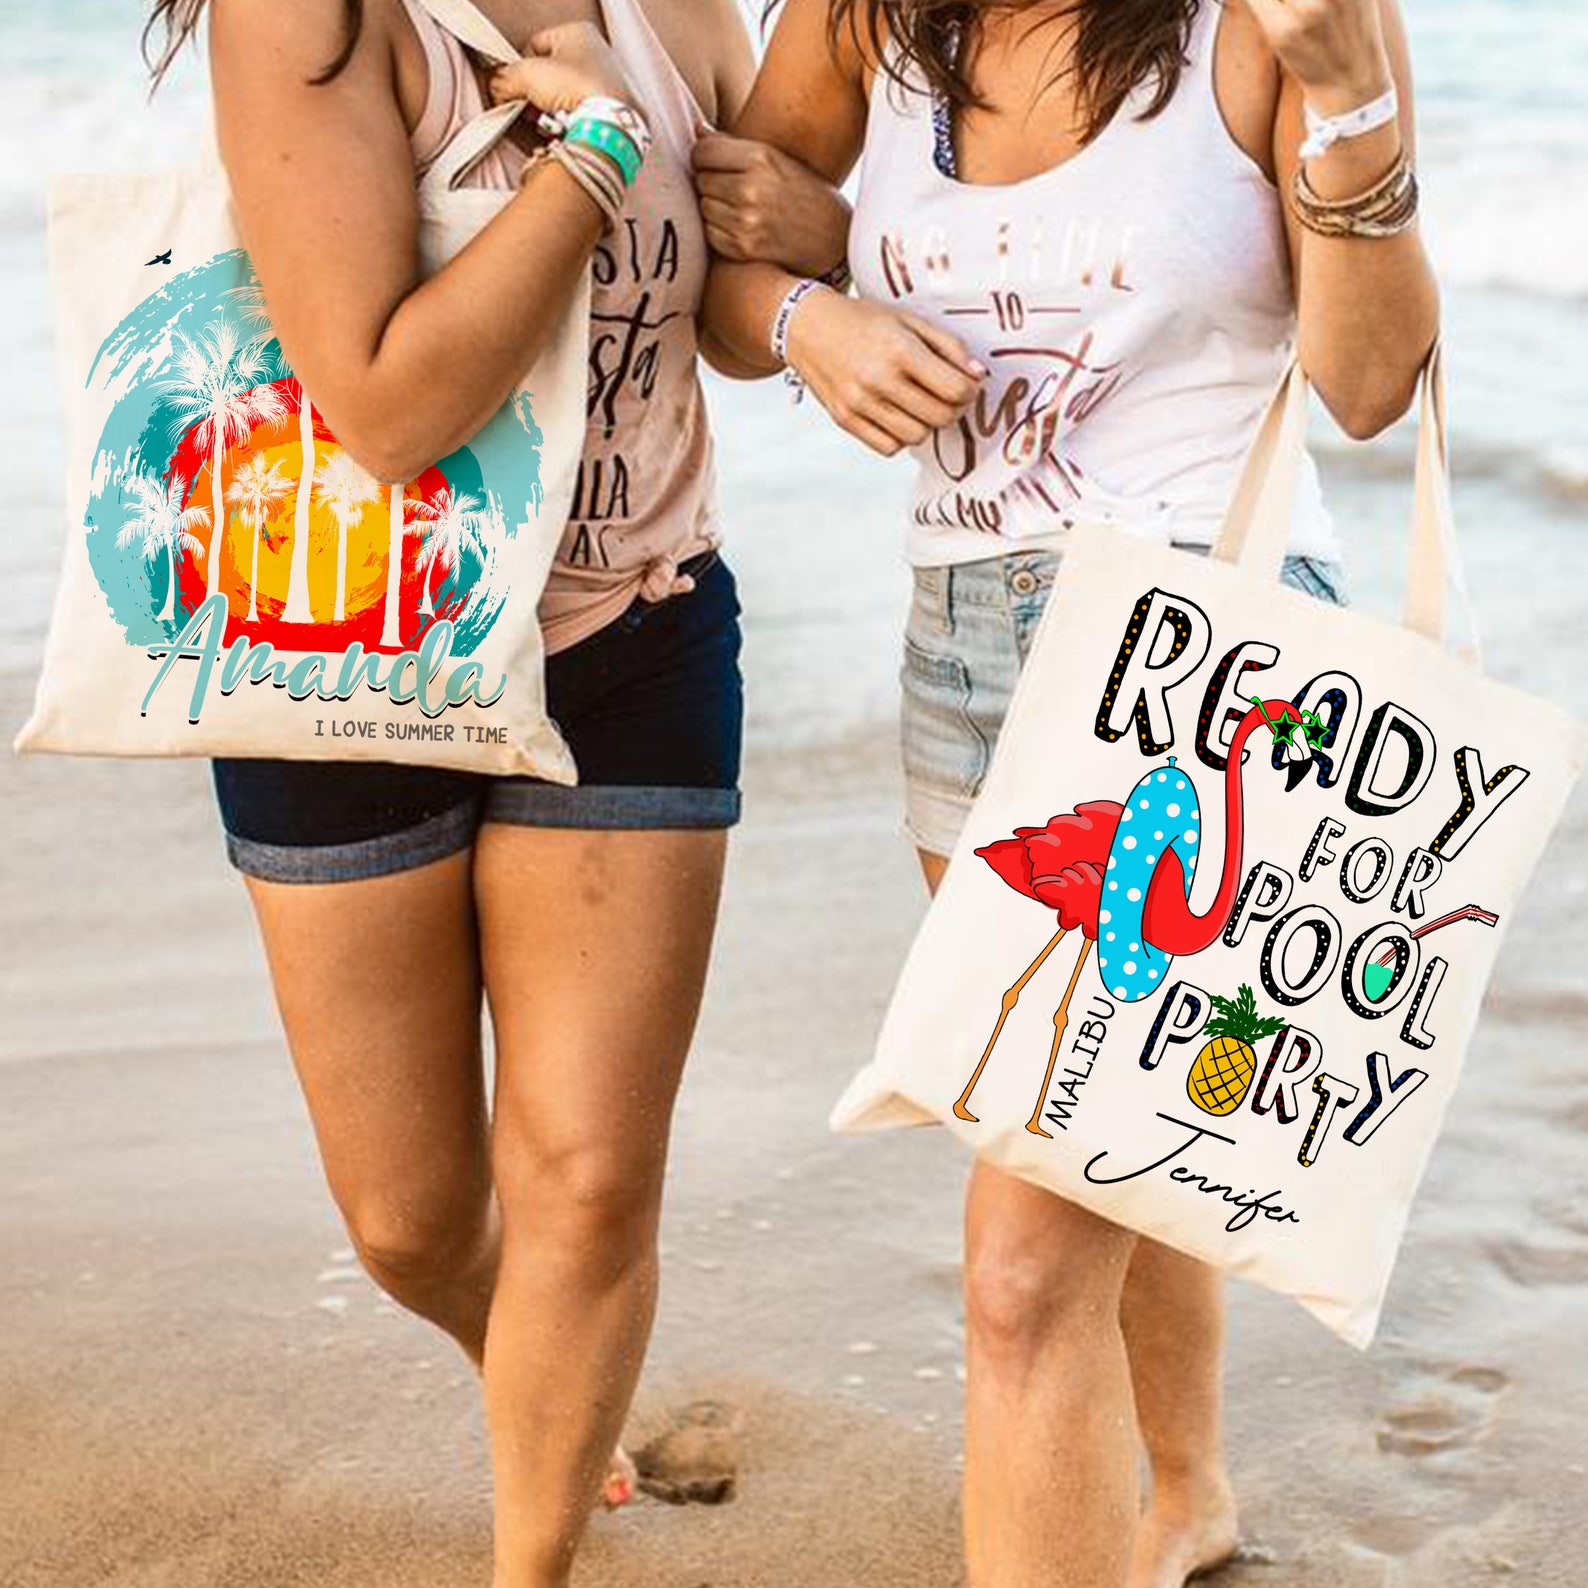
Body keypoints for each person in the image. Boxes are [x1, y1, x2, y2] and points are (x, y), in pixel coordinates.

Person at [697, 0, 1438, 1583]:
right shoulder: (865, 20)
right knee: (1111, 1151)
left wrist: (1351, 96)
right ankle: (1185, 1500)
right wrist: (805, 323)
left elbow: (1367, 386)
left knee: (1023, 1267)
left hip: (1201, 656)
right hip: (962, 648)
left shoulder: (1268, 24)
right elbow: (721, 245)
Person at [144, 1, 847, 1583]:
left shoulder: (672, 11)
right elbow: (386, 410)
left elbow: (733, 306)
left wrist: (823, 246)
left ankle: (527, 1557)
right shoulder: (313, 22)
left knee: (590, 1184)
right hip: (353, 656)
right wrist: (589, 153)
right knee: (407, 1221)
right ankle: (525, 1352)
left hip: (638, 629)